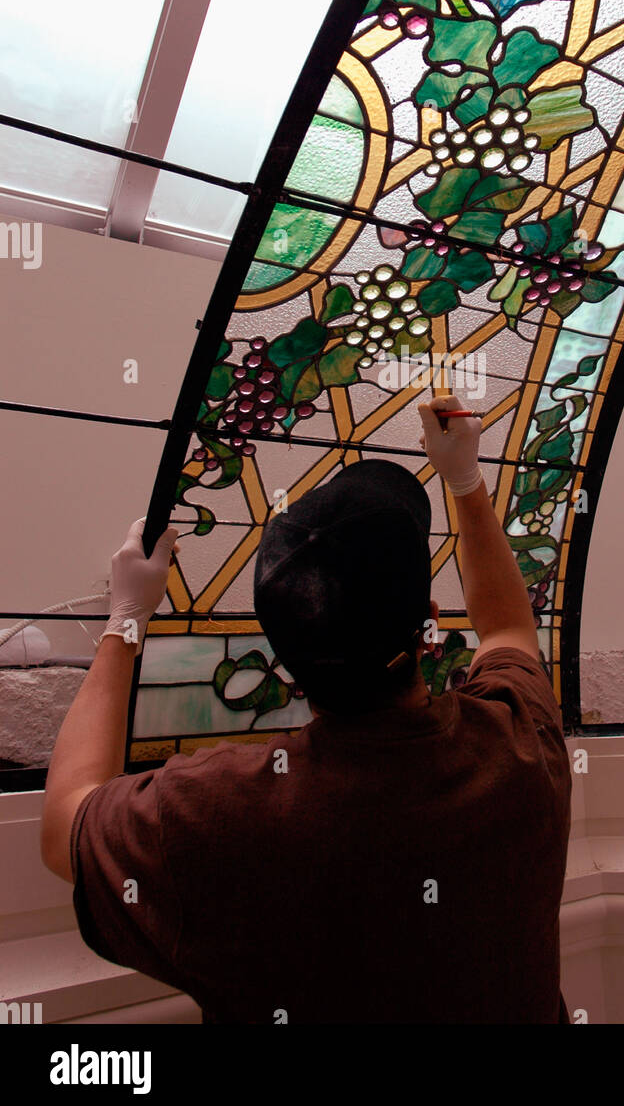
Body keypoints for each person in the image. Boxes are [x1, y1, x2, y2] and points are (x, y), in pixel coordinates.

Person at [41, 394, 572, 1023]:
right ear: (430, 628)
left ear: (284, 661)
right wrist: (464, 478)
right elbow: (509, 629)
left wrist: (126, 620)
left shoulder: (214, 816)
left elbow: (63, 827)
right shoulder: (517, 749)